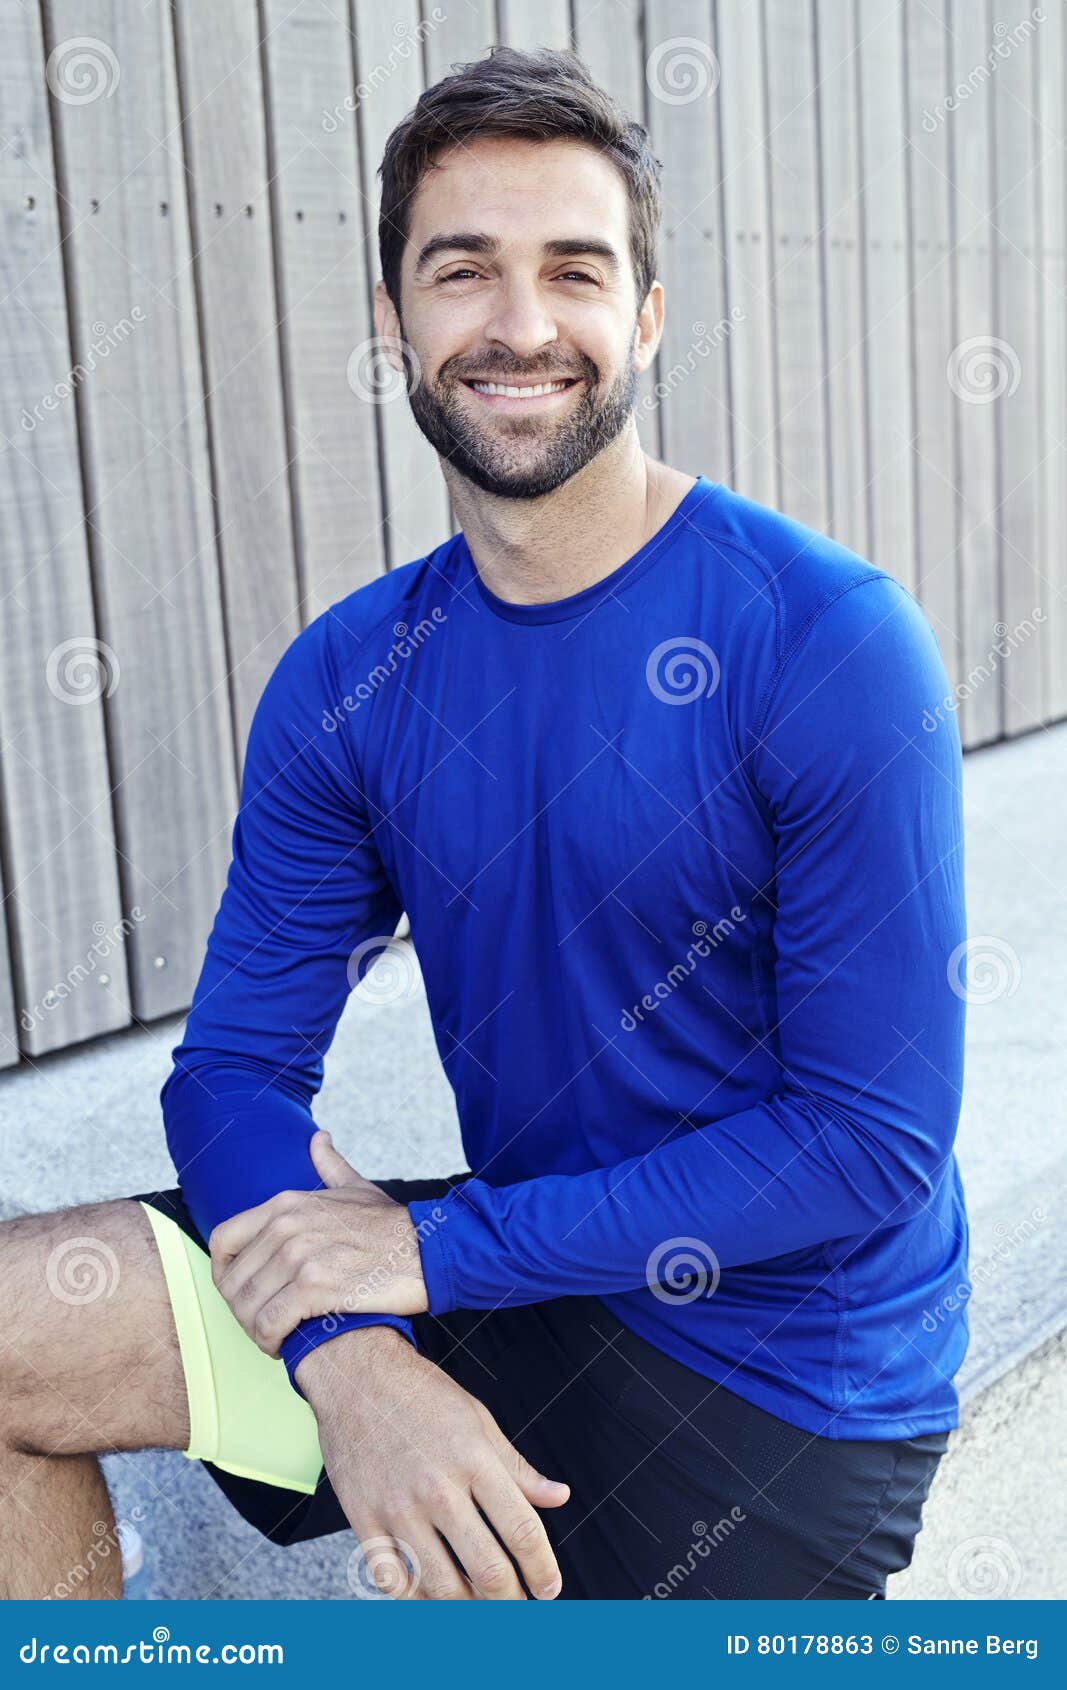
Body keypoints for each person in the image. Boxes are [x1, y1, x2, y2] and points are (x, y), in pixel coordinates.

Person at [0, 45, 970, 1601]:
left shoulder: (824, 641)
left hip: (785, 1393)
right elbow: (235, 1071)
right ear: (394, 323)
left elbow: (871, 1142)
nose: (521, 324)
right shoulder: (351, 679)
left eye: (574, 271)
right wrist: (351, 1355)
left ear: (645, 318)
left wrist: (432, 1257)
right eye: (463, 271)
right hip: (504, 1276)